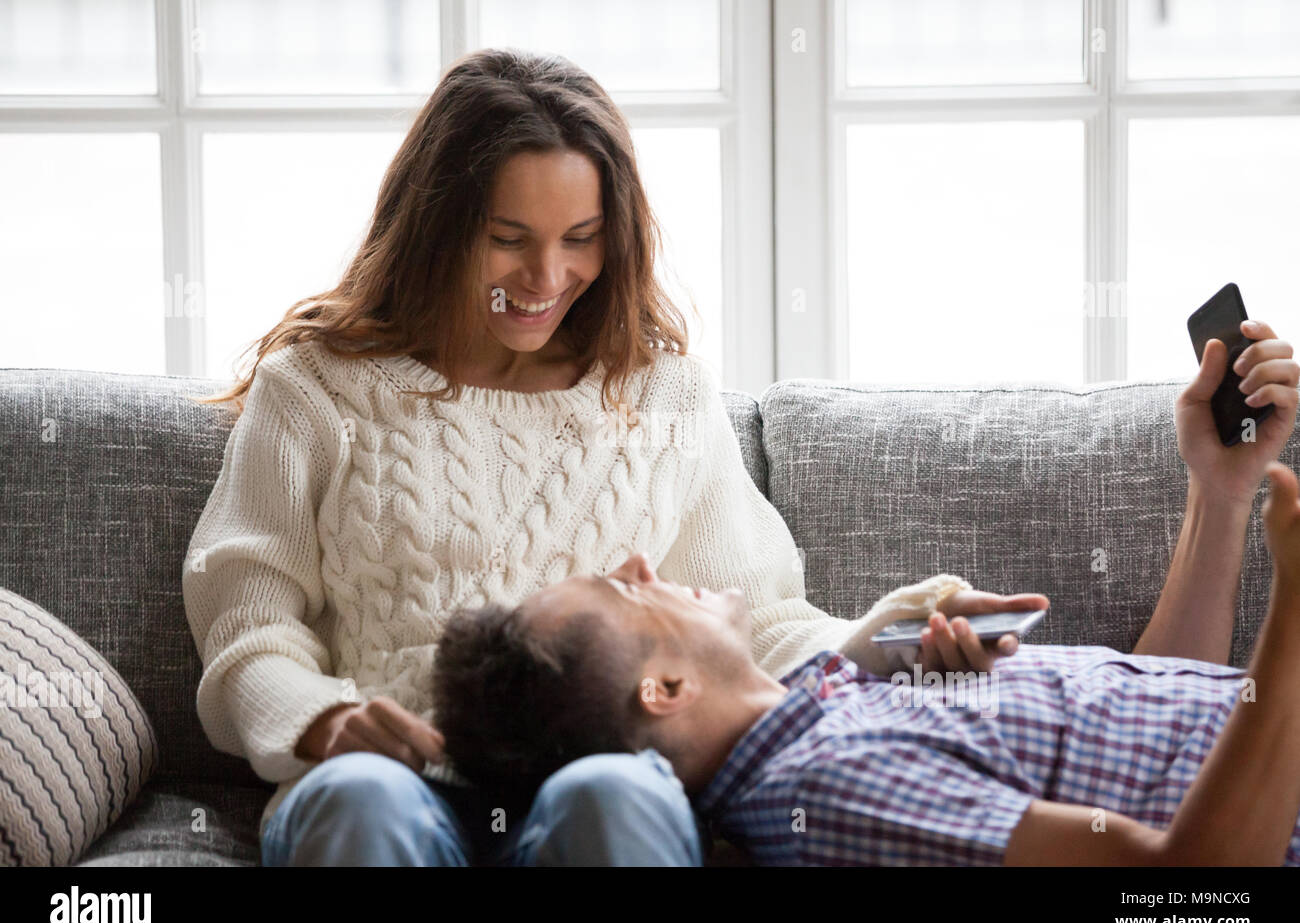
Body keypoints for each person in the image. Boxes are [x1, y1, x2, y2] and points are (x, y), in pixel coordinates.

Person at [180, 47, 1015, 867]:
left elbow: (753, 626)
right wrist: (322, 722)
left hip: (604, 776)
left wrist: (902, 635)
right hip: (387, 779)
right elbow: (248, 627)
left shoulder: (666, 396)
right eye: (509, 238)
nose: (547, 275)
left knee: (612, 796)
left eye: (581, 237)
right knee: (363, 802)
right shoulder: (318, 389)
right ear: (436, 227)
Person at [432, 458, 1300, 866]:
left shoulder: (839, 691)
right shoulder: (834, 787)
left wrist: (1220, 488)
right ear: (665, 690)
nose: (641, 565)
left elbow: (1167, 747)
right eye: (622, 592)